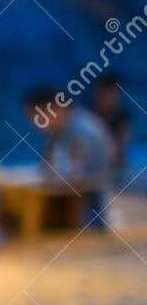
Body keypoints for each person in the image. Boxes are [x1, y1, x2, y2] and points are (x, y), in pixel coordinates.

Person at [26, 88, 116, 228]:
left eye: (39, 117)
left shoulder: (82, 130)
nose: (37, 124)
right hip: (91, 196)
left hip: (103, 202)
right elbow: (48, 164)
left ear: (57, 110)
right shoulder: (64, 127)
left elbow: (78, 177)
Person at [92, 75, 132, 184]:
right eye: (106, 95)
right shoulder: (89, 117)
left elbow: (122, 145)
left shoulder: (122, 118)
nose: (110, 99)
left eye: (114, 95)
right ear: (98, 94)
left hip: (114, 169)